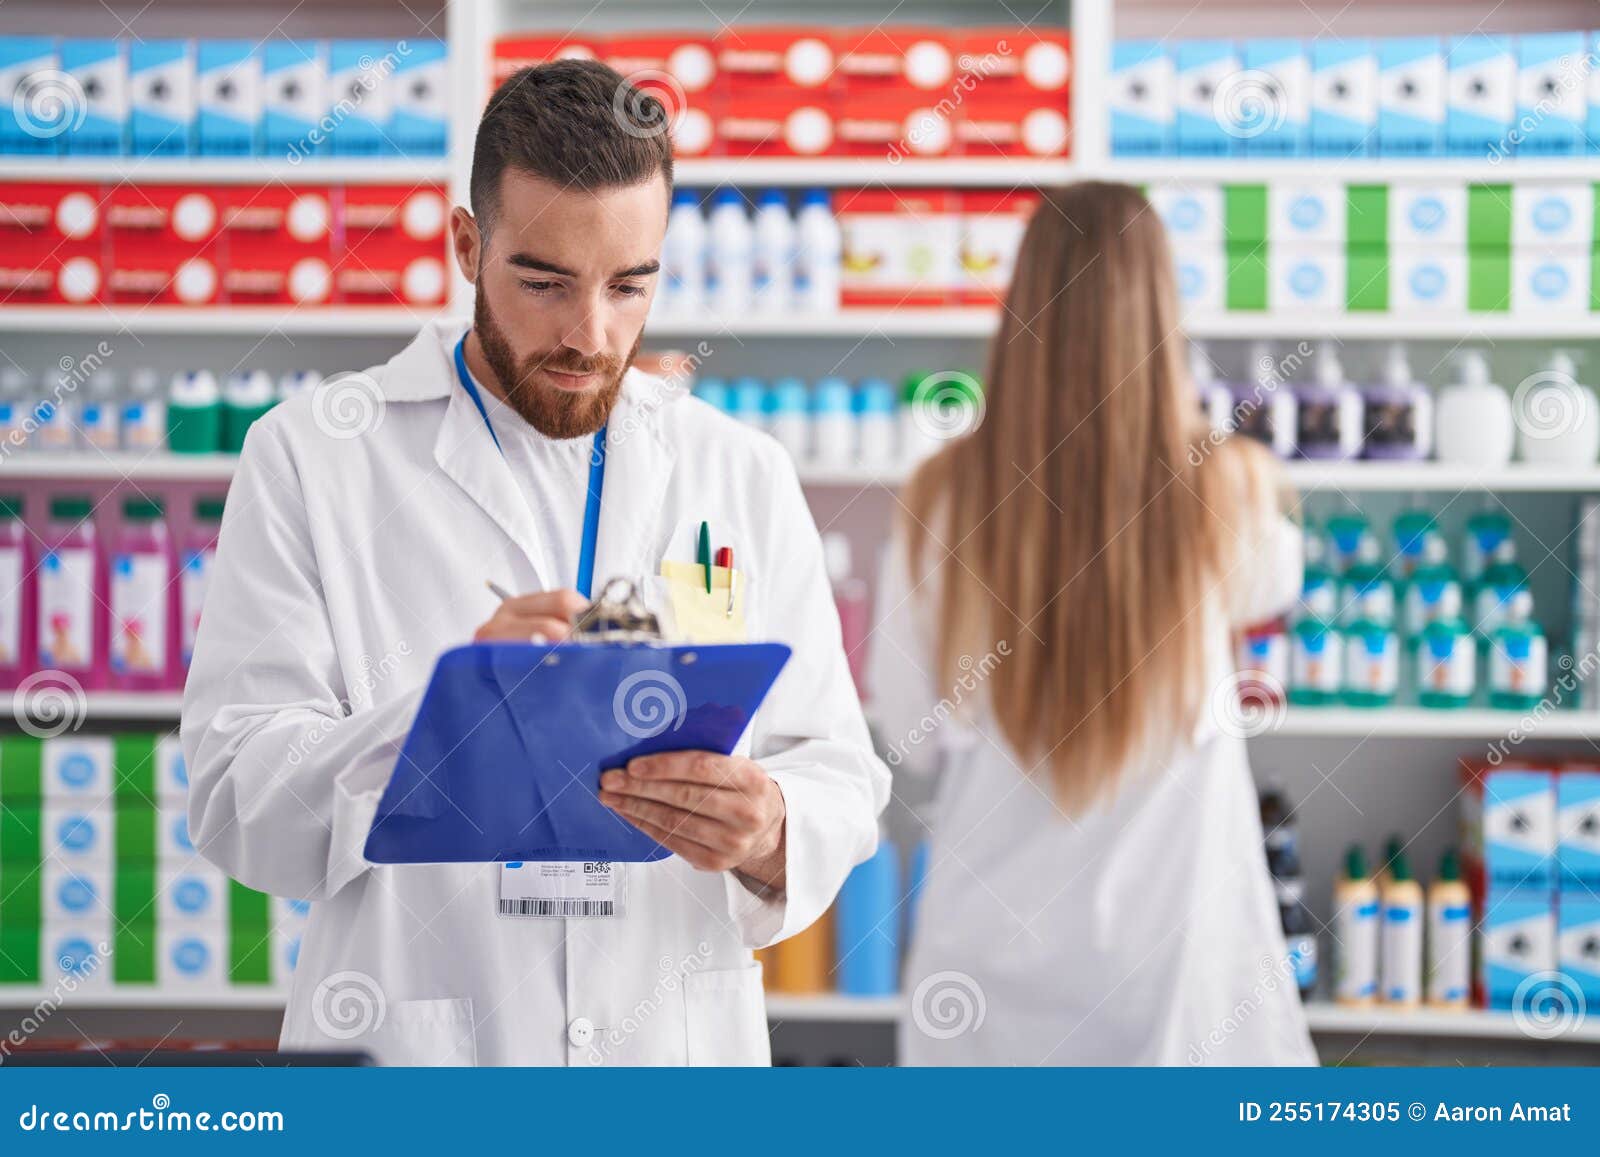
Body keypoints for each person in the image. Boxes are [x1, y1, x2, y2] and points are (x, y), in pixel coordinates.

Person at [182, 61, 889, 1066]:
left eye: (629, 285)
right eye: (545, 282)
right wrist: (445, 718)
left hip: (667, 1050)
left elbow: (840, 773)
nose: (589, 335)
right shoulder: (313, 455)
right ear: (468, 245)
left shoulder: (739, 469)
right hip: (425, 1055)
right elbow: (236, 799)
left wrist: (774, 825)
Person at [867, 182, 1316, 1066]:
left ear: (1021, 307)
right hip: (1173, 966)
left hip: (989, 973)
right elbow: (1270, 589)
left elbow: (909, 730)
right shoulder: (1233, 488)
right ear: (1162, 312)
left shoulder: (941, 497)